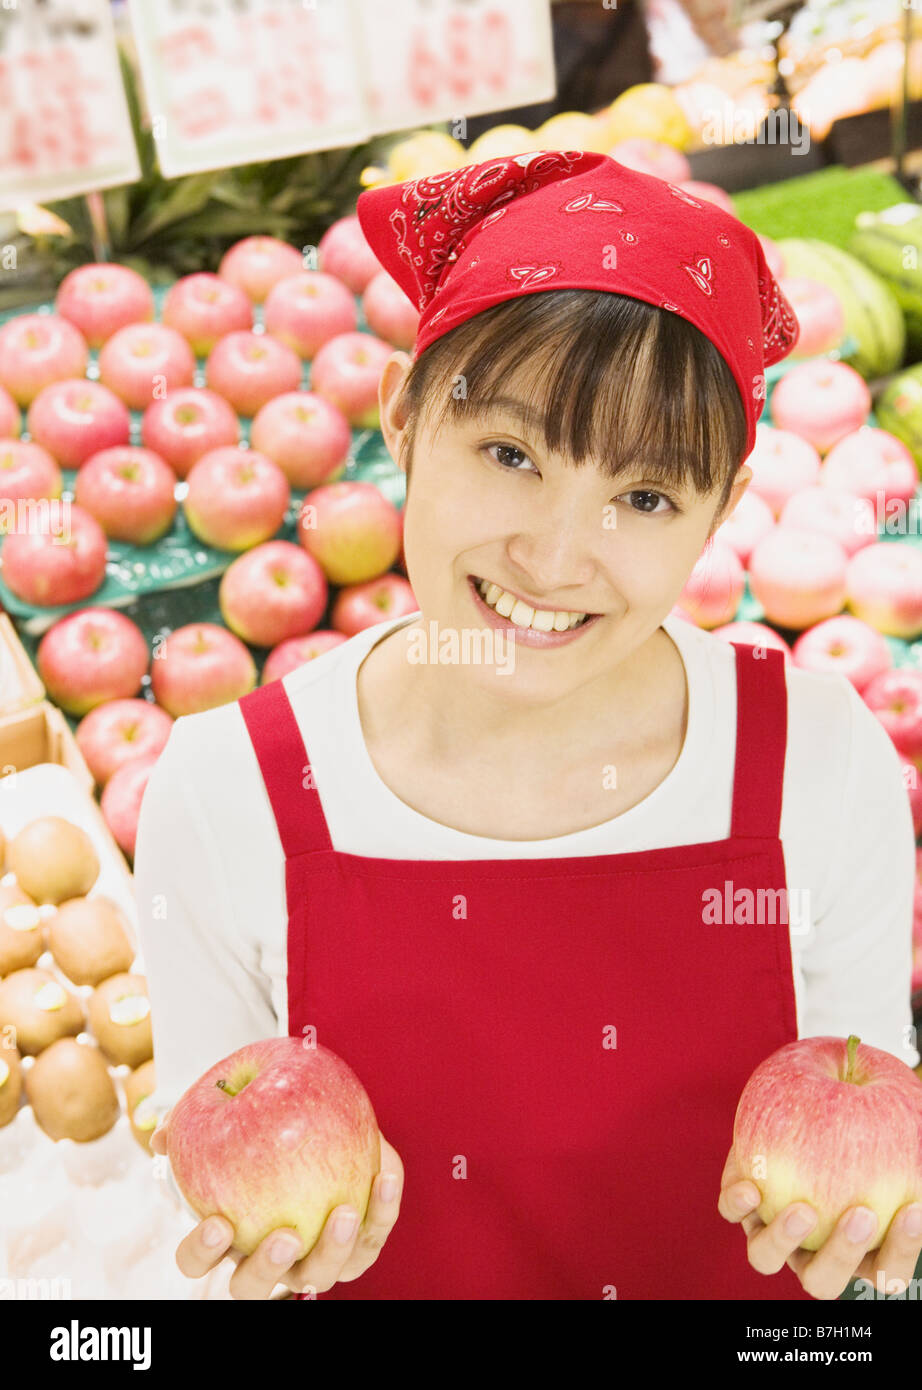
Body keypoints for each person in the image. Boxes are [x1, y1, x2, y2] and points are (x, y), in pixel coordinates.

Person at [135, 150, 921, 1302]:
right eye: (509, 454)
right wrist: (243, 1263)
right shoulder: (226, 790)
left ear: (721, 511)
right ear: (404, 421)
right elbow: (216, 1161)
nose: (554, 559)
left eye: (644, 497)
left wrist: (874, 1239)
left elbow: (864, 1091)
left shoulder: (817, 755)